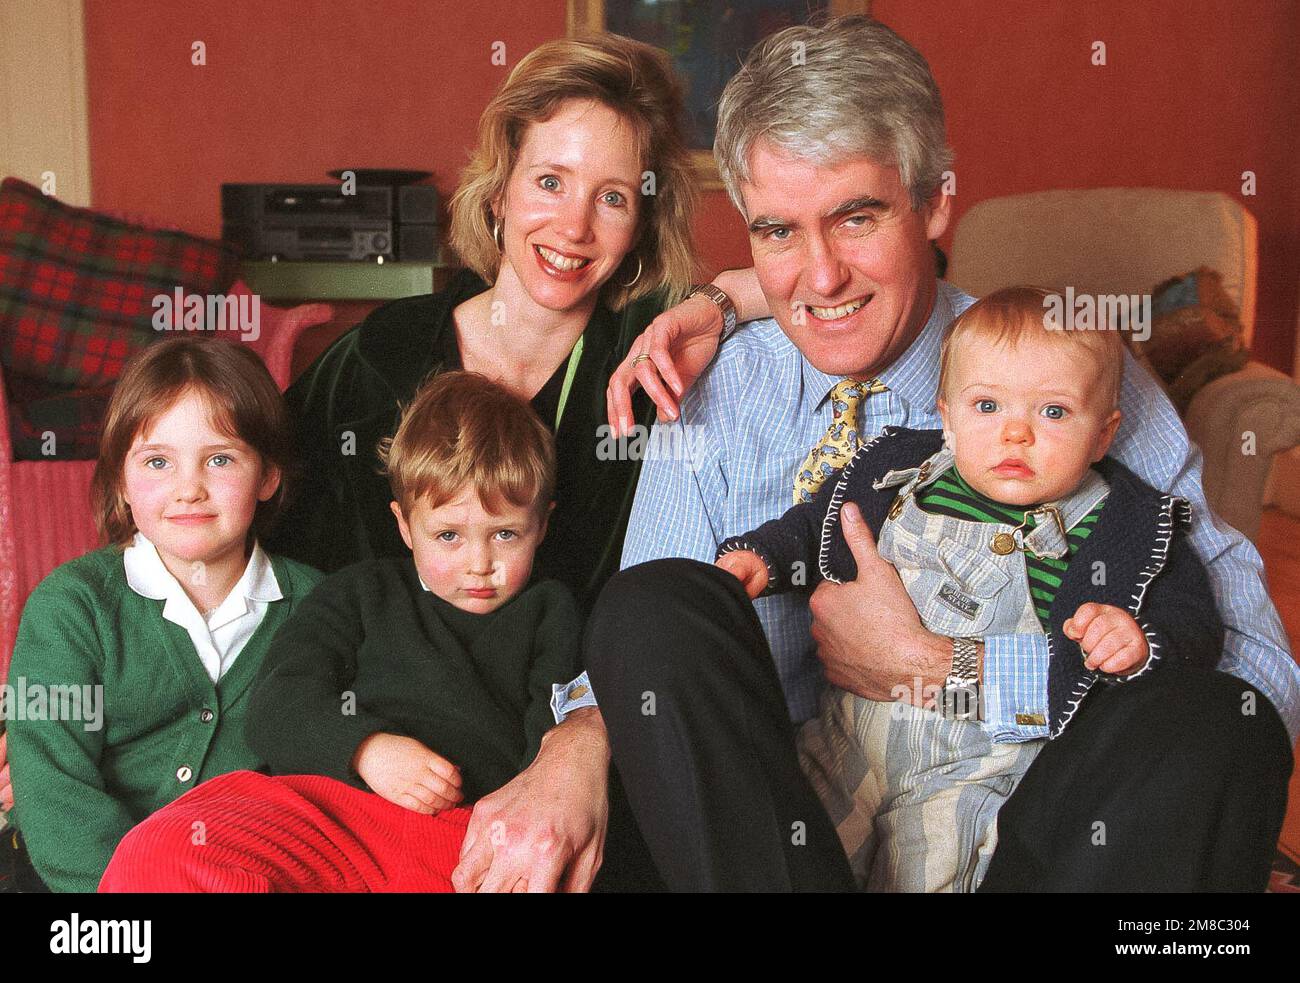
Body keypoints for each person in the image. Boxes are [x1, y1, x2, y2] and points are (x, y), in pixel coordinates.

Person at [560, 15, 1296, 892]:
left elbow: (1261, 681)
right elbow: (653, 674)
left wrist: (945, 671)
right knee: (649, 606)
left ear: (937, 200)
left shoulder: (1068, 381)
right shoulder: (713, 383)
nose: (820, 278)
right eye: (778, 233)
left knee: (1219, 719)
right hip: (779, 836)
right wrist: (567, 750)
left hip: (1014, 832)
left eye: (856, 216)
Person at [257, 33, 771, 893]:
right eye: (549, 182)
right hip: (360, 772)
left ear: (643, 219)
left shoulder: (651, 375)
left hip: (558, 772)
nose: (572, 228)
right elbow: (232, 522)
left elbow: (815, 284)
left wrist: (720, 299)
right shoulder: (380, 357)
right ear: (497, 192)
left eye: (612, 197)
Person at [714, 287, 1224, 890]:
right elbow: (817, 520)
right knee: (794, 854)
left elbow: (1195, 623)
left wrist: (1140, 641)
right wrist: (764, 558)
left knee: (932, 872)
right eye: (987, 407)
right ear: (946, 412)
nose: (1016, 435)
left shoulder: (1125, 526)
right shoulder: (899, 474)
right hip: (844, 739)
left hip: (973, 768)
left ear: (1104, 433)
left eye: (1053, 413)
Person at [101, 372, 582, 892]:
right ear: (404, 525)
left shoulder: (551, 614)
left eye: (506, 534)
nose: (479, 564)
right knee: (160, 852)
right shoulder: (359, 593)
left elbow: (552, 757)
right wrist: (366, 749)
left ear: (543, 524)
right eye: (448, 535)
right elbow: (278, 704)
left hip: (462, 839)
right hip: (326, 813)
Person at [3, 337, 322, 892]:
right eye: (157, 461)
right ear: (123, 484)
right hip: (88, 891)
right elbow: (53, 791)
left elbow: (323, 780)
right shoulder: (71, 607)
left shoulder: (319, 606)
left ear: (268, 476)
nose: (189, 489)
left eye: (220, 459)